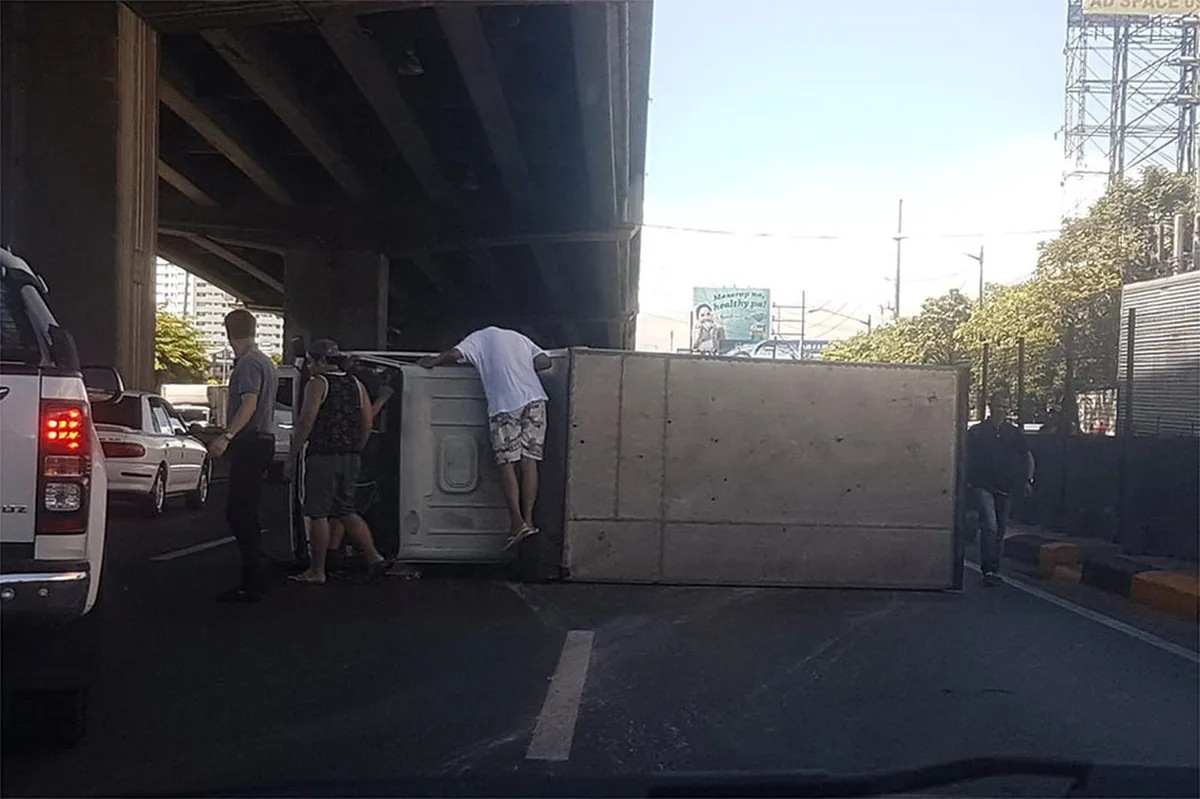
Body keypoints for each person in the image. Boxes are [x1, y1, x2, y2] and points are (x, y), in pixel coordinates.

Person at [419, 326, 552, 549]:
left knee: (507, 462)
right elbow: (545, 362)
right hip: (536, 400)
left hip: (505, 405)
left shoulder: (479, 338)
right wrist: (520, 368)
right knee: (530, 461)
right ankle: (529, 520)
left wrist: (433, 361)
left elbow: (454, 355)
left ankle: (517, 523)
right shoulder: (518, 337)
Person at [287, 339, 387, 585]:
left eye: (311, 361)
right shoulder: (355, 384)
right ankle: (375, 558)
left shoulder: (318, 383)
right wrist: (357, 448)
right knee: (346, 510)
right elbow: (367, 421)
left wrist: (293, 455)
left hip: (323, 456)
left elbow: (305, 422)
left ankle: (316, 570)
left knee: (318, 512)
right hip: (351, 457)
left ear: (321, 361)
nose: (309, 366)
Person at [207, 309, 278, 603]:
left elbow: (249, 403)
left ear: (228, 332)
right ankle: (255, 576)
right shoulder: (267, 362)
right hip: (264, 440)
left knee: (239, 512)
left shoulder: (247, 364)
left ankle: (254, 581)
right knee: (247, 511)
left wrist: (226, 436)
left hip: (250, 442)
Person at [966, 394, 1035, 586]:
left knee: (1000, 529)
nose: (1001, 409)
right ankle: (988, 569)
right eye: (998, 405)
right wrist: (968, 480)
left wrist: (1028, 480)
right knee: (991, 525)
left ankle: (994, 568)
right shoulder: (977, 432)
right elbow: (966, 456)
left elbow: (1027, 456)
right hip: (983, 485)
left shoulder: (1014, 433)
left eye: (1005, 406)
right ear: (990, 407)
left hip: (1006, 487)